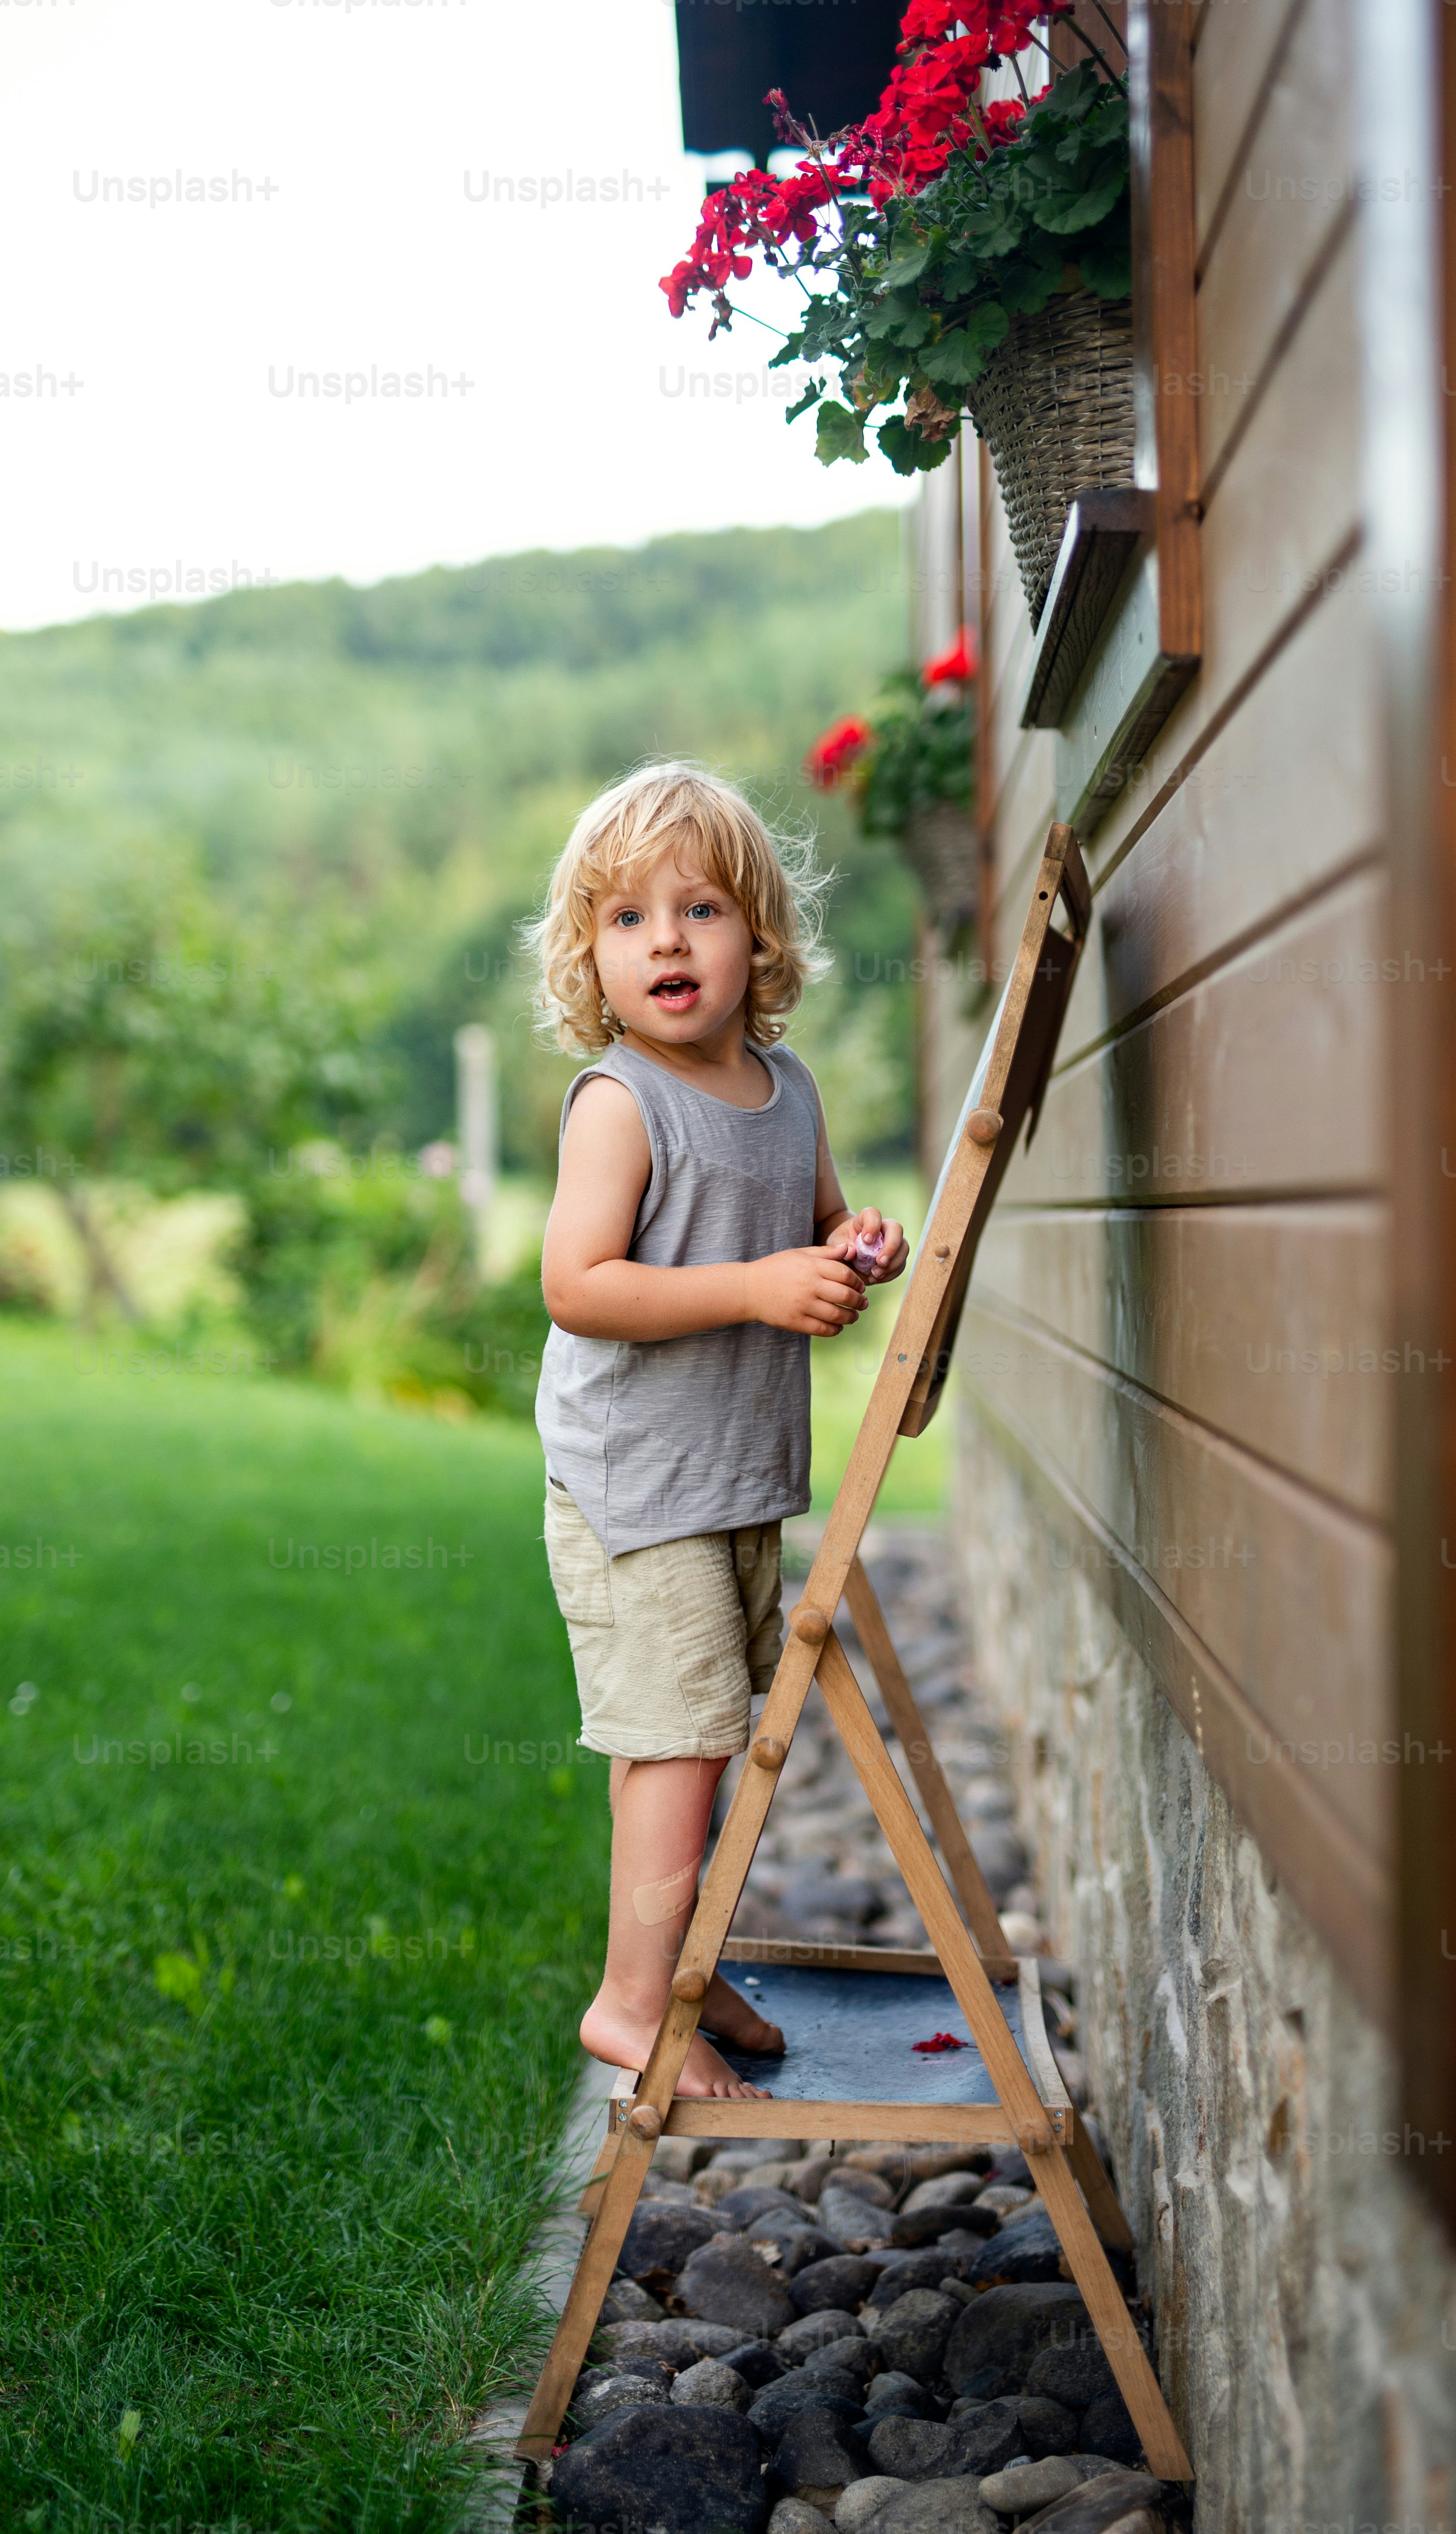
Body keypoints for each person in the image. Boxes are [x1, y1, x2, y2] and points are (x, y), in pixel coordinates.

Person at [530, 761, 908, 2100]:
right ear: (591, 956)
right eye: (627, 919)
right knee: (676, 1742)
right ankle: (635, 2007)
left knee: (723, 1728)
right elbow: (579, 1285)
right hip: (637, 1488)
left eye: (698, 909)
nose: (667, 942)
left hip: (732, 1476)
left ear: (760, 936)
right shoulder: (620, 1105)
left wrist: (852, 1246)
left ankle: (691, 1964)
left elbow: (808, 1224)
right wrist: (755, 1288)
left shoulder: (784, 1086)